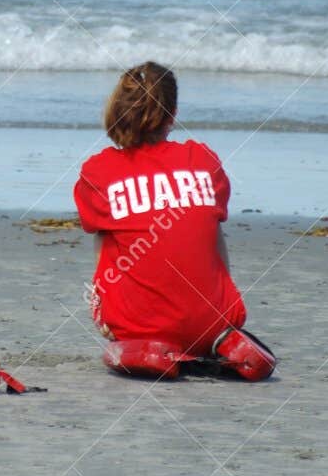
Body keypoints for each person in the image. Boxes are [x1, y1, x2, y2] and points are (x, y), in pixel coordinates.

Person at [73, 62, 274, 380]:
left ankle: (135, 326)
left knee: (107, 232)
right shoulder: (203, 160)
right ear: (174, 112)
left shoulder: (99, 171)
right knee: (209, 226)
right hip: (215, 323)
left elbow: (96, 226)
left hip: (136, 325)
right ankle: (216, 321)